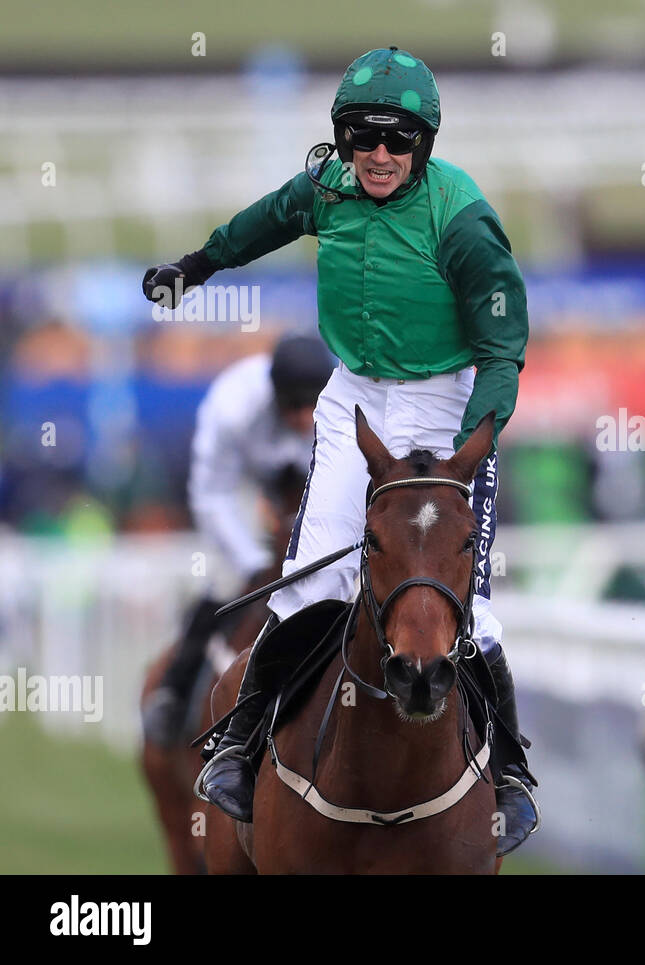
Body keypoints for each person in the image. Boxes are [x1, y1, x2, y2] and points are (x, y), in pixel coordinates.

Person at [141, 47, 535, 854]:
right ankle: (241, 744)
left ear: (422, 144)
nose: (379, 156)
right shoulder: (328, 188)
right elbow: (264, 221)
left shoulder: (461, 218)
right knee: (301, 586)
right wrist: (198, 264)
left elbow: (503, 346)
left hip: (445, 408)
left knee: (471, 613)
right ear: (343, 141)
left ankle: (513, 772)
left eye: (396, 141)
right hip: (353, 397)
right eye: (362, 138)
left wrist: (476, 441)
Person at [141, 335, 333, 746]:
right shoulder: (233, 408)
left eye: (312, 405)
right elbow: (211, 496)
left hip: (308, 484)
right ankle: (174, 691)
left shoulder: (342, 402)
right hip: (240, 489)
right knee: (226, 577)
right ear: (275, 395)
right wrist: (252, 563)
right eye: (294, 406)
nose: (304, 417)